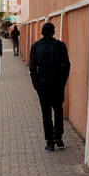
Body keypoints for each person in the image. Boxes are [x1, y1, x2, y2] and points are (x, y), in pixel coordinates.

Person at [29, 22, 70, 151]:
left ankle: (50, 142)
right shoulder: (60, 45)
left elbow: (32, 67)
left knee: (46, 113)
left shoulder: (36, 46)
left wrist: (36, 84)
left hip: (43, 85)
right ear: (53, 32)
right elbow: (67, 65)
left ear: (42, 32)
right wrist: (63, 82)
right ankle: (59, 137)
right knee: (58, 110)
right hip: (57, 84)